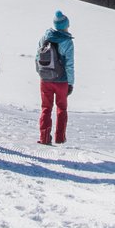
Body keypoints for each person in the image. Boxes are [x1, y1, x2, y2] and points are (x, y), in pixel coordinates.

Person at [35, 10, 76, 145]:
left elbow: (37, 58)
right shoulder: (67, 42)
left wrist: (41, 74)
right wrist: (70, 83)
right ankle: (60, 137)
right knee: (61, 108)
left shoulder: (44, 37)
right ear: (65, 25)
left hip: (45, 79)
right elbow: (69, 65)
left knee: (46, 108)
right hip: (61, 80)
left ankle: (44, 137)